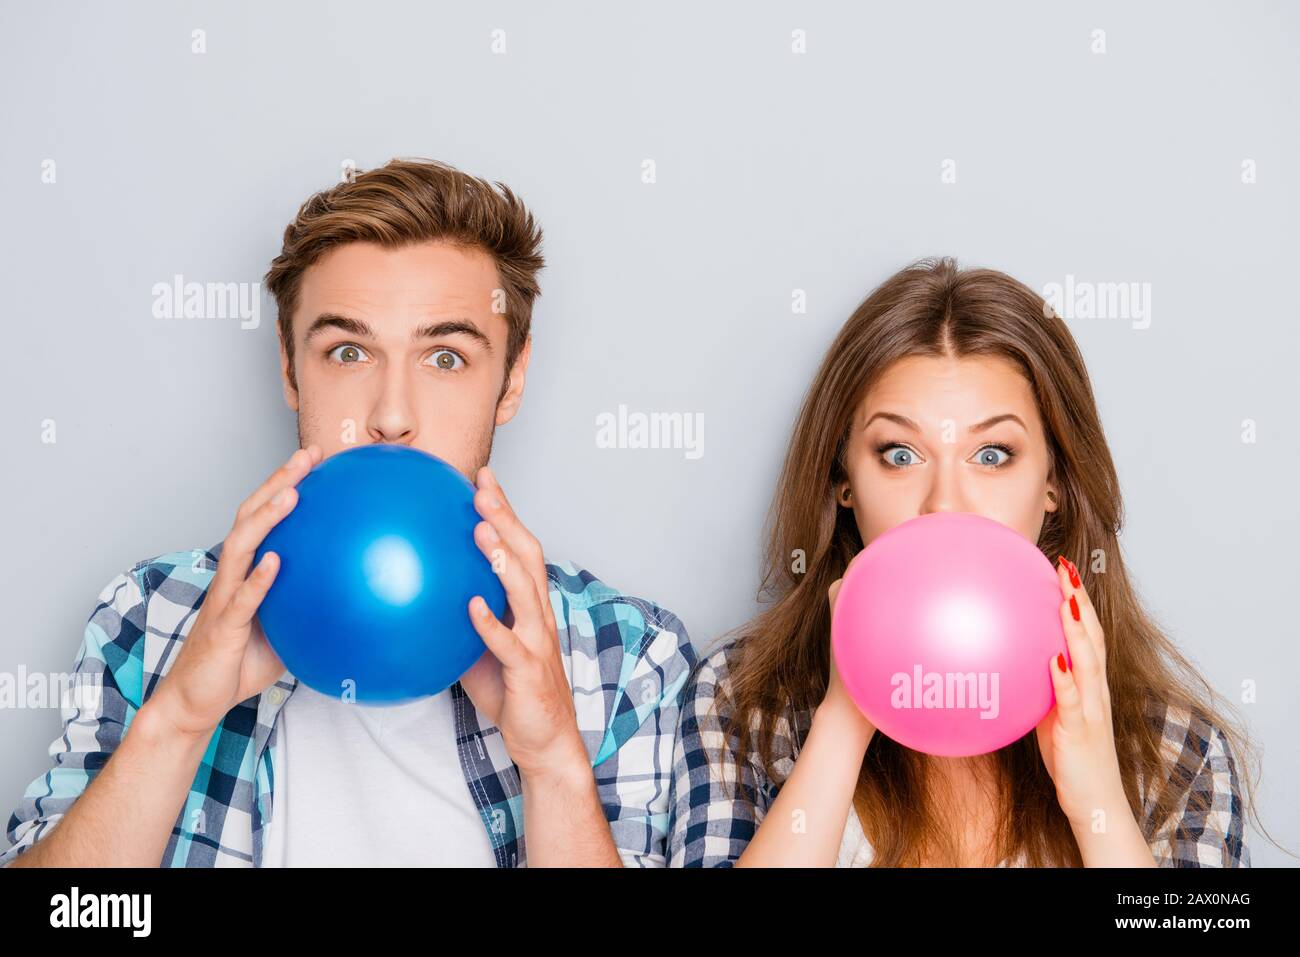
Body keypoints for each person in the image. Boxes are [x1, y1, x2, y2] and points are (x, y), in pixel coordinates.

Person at [3, 158, 695, 868]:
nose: (391, 416)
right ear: (289, 367)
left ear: (512, 378)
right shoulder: (149, 615)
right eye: (348, 350)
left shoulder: (625, 657)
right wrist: (177, 718)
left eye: (446, 358)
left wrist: (552, 761)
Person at [667, 258, 1256, 867]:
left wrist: (1096, 800)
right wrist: (842, 724)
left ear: (1052, 482)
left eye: (993, 454)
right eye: (900, 454)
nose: (945, 504)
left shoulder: (1173, 748)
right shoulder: (742, 704)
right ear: (844, 480)